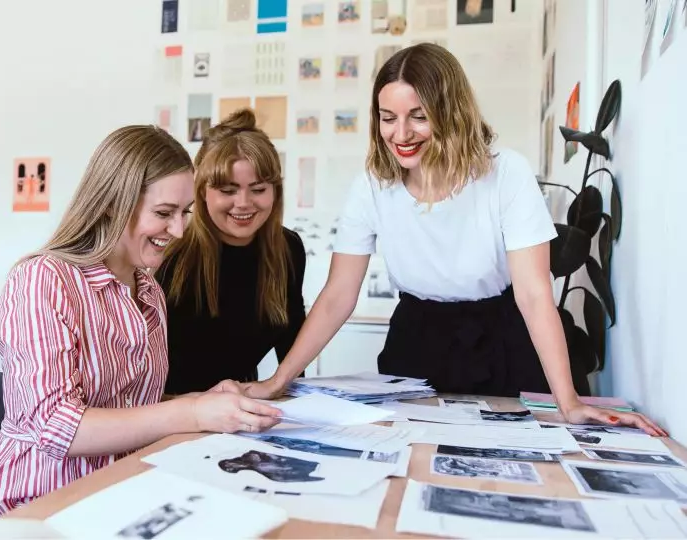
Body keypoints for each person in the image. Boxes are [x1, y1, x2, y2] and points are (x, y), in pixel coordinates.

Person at [243, 43, 667, 437]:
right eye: (388, 118)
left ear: (451, 112)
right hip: (416, 341)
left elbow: (535, 295)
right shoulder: (372, 186)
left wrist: (569, 402)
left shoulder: (506, 174)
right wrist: (278, 381)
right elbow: (338, 294)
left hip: (504, 338)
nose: (401, 134)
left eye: (419, 115)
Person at [0, 125, 282, 520]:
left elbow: (130, 408)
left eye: (184, 214)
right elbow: (59, 426)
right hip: (35, 504)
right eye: (164, 214)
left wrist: (201, 401)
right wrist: (191, 414)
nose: (178, 231)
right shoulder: (42, 280)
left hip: (119, 494)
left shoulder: (147, 289)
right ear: (112, 204)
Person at [155, 109, 306, 394]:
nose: (244, 203)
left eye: (258, 189)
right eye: (228, 190)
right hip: (170, 408)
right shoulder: (169, 252)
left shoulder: (289, 249)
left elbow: (293, 345)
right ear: (201, 191)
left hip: (242, 412)